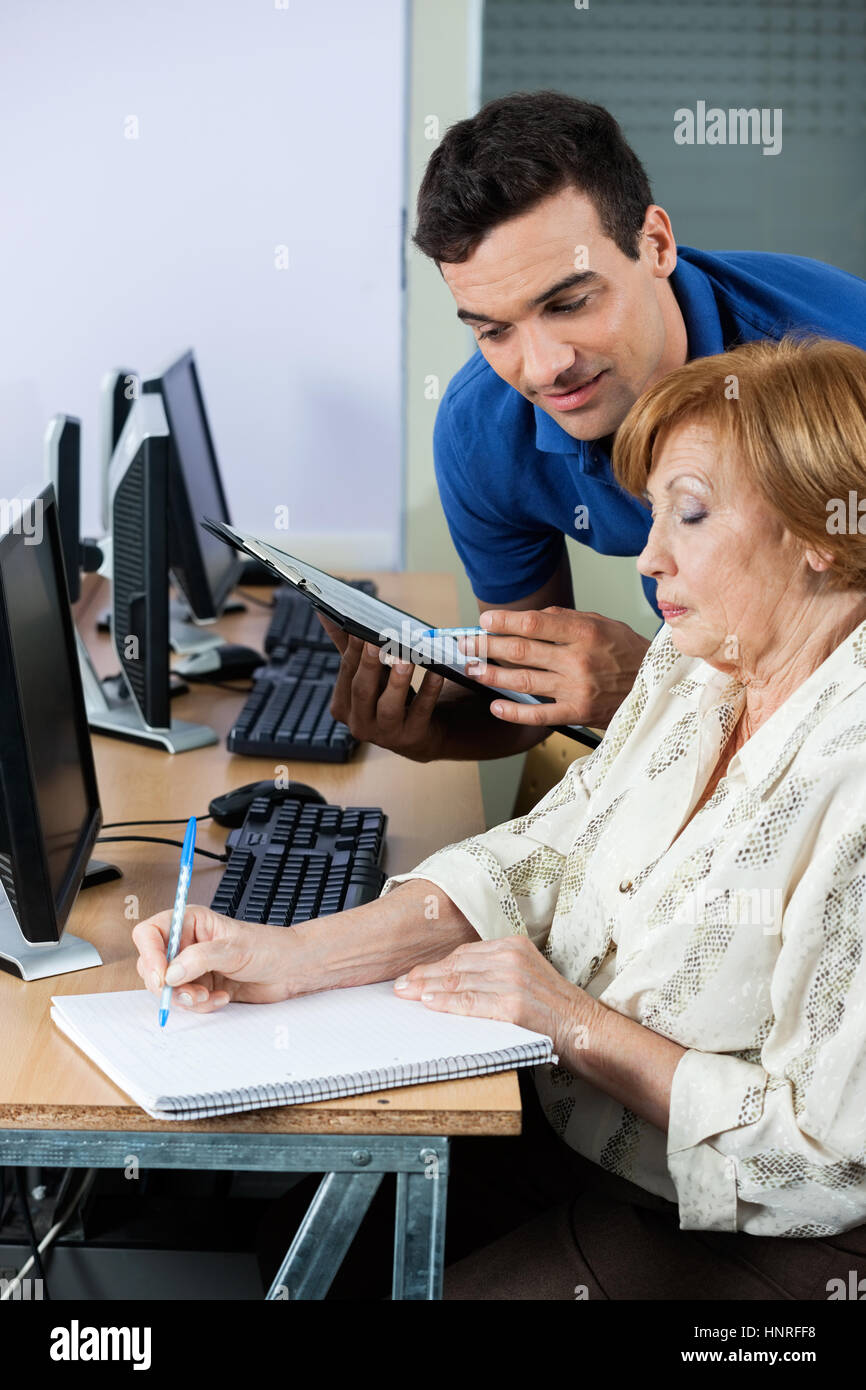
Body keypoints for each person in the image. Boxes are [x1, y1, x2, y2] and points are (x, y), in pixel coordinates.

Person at [134, 335, 866, 1298]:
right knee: (301, 1237)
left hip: (764, 1236)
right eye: (653, 515)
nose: (648, 558)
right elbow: (533, 862)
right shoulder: (697, 669)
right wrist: (286, 956)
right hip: (589, 1134)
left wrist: (567, 1020)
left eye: (690, 515)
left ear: (824, 530)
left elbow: (826, 1160)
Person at [318, 90, 866, 764]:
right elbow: (533, 700)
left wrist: (651, 683)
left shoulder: (839, 366)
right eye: (494, 330)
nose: (545, 369)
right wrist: (431, 733)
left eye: (571, 303)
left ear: (656, 244)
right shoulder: (484, 431)